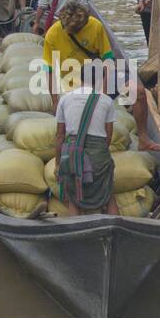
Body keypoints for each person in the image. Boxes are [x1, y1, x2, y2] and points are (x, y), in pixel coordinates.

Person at [42, 2, 160, 153]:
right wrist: (55, 101)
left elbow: (108, 61)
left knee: (138, 91)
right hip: (74, 81)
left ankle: (143, 139)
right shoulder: (52, 35)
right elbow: (49, 70)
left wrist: (103, 95)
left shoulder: (95, 26)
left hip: (99, 75)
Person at [52, 51, 119, 217]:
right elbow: (108, 137)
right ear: (99, 80)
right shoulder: (106, 100)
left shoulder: (65, 99)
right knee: (109, 196)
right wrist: (98, 154)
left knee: (74, 199)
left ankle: (75, 229)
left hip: (73, 156)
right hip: (99, 157)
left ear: (79, 77)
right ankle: (114, 225)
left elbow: (59, 136)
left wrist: (58, 164)